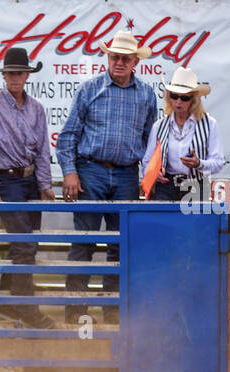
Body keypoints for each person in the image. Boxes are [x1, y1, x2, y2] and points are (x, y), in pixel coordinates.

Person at [56, 29, 157, 324]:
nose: (119, 62)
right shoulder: (90, 89)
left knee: (120, 244)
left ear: (135, 61)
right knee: (84, 241)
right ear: (108, 57)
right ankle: (76, 311)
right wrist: (70, 172)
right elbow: (68, 135)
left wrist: (148, 177)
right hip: (91, 171)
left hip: (127, 173)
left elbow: (152, 140)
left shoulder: (146, 94)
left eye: (125, 58)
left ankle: (113, 310)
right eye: (115, 57)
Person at [0, 47, 56, 330]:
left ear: (26, 75)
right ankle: (26, 309)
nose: (15, 77)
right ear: (4, 76)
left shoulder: (37, 108)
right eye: (10, 73)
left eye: (19, 72)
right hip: (5, 180)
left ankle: (4, 304)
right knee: (24, 243)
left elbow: (43, 150)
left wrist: (44, 184)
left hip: (29, 181)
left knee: (24, 245)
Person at [143, 67, 224, 202]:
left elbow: (218, 162)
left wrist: (199, 164)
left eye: (184, 97)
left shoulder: (209, 124)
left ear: (194, 99)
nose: (178, 102)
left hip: (196, 186)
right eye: (174, 96)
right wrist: (154, 174)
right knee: (164, 223)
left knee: (194, 223)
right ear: (169, 97)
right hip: (165, 186)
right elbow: (147, 161)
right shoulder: (159, 125)